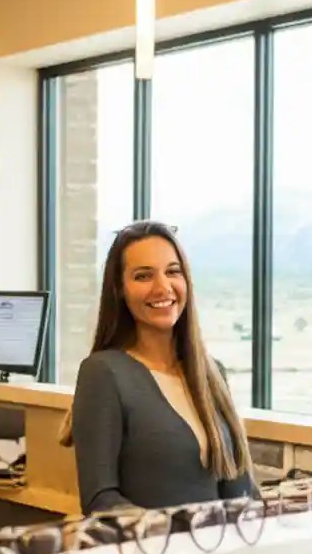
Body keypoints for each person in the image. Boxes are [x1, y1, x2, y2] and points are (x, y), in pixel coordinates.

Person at [60, 220, 257, 513]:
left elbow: (238, 490)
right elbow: (99, 500)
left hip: (218, 553)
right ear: (119, 290)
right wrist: (176, 531)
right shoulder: (103, 373)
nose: (162, 287)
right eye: (143, 276)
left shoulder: (213, 373)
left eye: (173, 272)